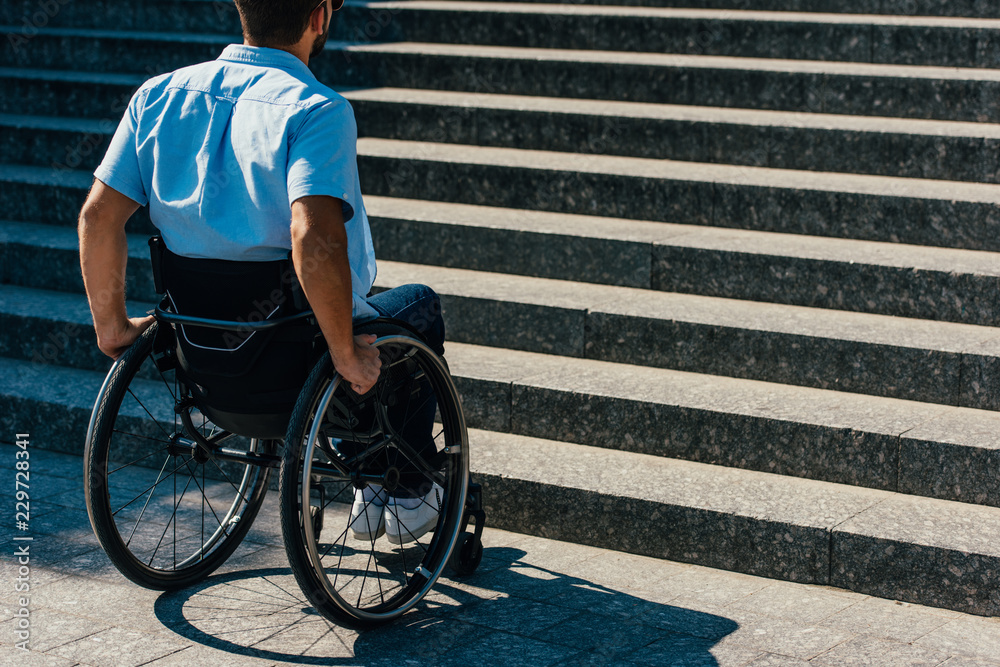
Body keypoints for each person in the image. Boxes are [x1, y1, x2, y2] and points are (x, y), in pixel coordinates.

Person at [77, 0, 443, 544]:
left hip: (204, 351)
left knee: (330, 321)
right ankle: (405, 490)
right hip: (294, 350)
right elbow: (313, 237)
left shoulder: (158, 95)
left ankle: (371, 476)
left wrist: (111, 327)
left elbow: (98, 216)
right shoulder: (316, 109)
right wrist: (345, 354)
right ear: (320, 16)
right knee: (418, 305)